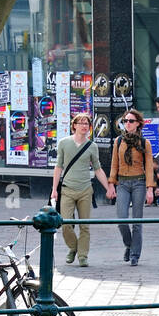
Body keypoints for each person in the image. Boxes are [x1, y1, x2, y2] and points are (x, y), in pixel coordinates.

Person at [50, 114, 110, 268]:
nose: (84, 126)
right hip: (67, 189)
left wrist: (108, 187)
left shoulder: (92, 146)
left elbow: (98, 169)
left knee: (85, 225)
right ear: (74, 125)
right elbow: (59, 167)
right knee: (65, 224)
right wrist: (54, 189)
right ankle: (73, 247)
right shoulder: (64, 143)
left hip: (85, 189)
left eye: (87, 123)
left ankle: (83, 255)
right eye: (81, 123)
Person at [106, 109, 155, 267]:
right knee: (121, 219)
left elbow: (149, 167)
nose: (127, 123)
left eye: (131, 121)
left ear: (138, 123)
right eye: (125, 121)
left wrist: (150, 188)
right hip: (123, 183)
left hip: (139, 182)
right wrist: (111, 184)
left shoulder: (144, 143)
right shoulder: (119, 141)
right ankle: (129, 244)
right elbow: (114, 164)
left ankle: (135, 254)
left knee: (137, 221)